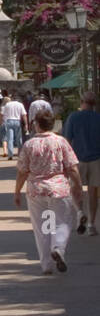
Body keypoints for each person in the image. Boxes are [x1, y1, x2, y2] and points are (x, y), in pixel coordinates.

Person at [14, 108, 83, 274]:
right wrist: (78, 186)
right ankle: (58, 247)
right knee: (62, 222)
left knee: (43, 227)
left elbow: (22, 171)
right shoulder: (61, 142)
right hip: (59, 189)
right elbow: (72, 168)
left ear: (37, 125)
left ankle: (46, 264)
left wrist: (16, 192)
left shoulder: (29, 145)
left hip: (37, 191)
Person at [63, 92, 100, 236]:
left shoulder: (73, 117)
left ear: (82, 102)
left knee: (75, 190)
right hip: (96, 159)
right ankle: (91, 224)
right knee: (93, 192)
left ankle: (79, 212)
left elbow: (67, 140)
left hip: (77, 160)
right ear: (94, 104)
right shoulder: (98, 118)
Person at [0, 92, 27, 158]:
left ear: (11, 98)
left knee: (10, 139)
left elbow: (2, 114)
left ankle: (10, 154)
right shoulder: (20, 104)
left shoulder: (7, 104)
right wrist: (26, 124)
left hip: (9, 121)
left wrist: (3, 121)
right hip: (17, 121)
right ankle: (19, 153)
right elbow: (24, 115)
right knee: (19, 138)